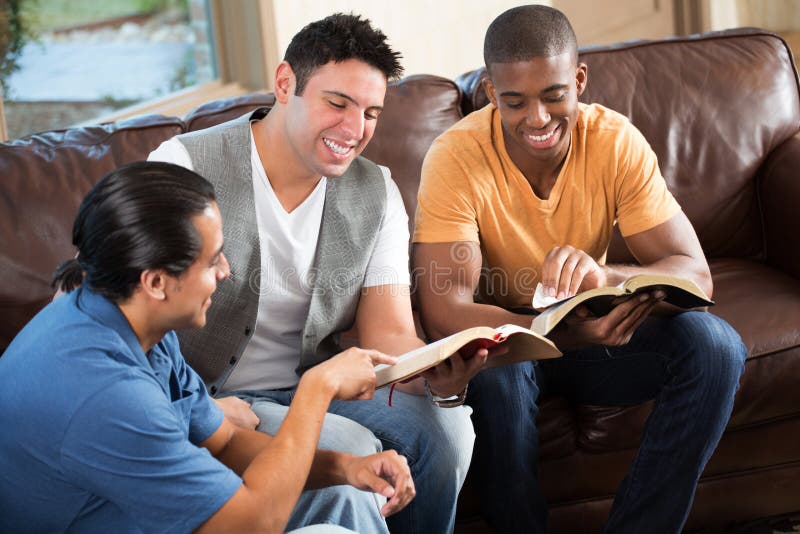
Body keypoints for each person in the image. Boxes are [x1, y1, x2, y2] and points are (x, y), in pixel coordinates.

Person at [412, 5, 747, 534]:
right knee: (498, 378)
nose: (538, 119)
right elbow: (442, 309)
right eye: (514, 102)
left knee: (717, 346)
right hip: (510, 343)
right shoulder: (456, 157)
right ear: (491, 94)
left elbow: (696, 276)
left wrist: (604, 277)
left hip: (597, 337)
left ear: (580, 80)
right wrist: (561, 335)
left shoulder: (614, 141)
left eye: (554, 95)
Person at [149, 13, 481, 533]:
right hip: (210, 395)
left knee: (450, 430)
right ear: (286, 84)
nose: (355, 130)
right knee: (351, 448)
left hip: (315, 386)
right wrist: (197, 406)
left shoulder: (378, 193)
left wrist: (441, 376)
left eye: (371, 112)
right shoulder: (186, 164)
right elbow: (139, 309)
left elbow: (388, 334)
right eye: (337, 103)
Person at [0, 161, 415, 533]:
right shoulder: (103, 393)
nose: (226, 270)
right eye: (212, 259)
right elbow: (254, 523)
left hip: (147, 512)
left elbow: (225, 443)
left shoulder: (136, 324)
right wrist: (317, 388)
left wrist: (347, 467)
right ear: (156, 282)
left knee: (345, 492)